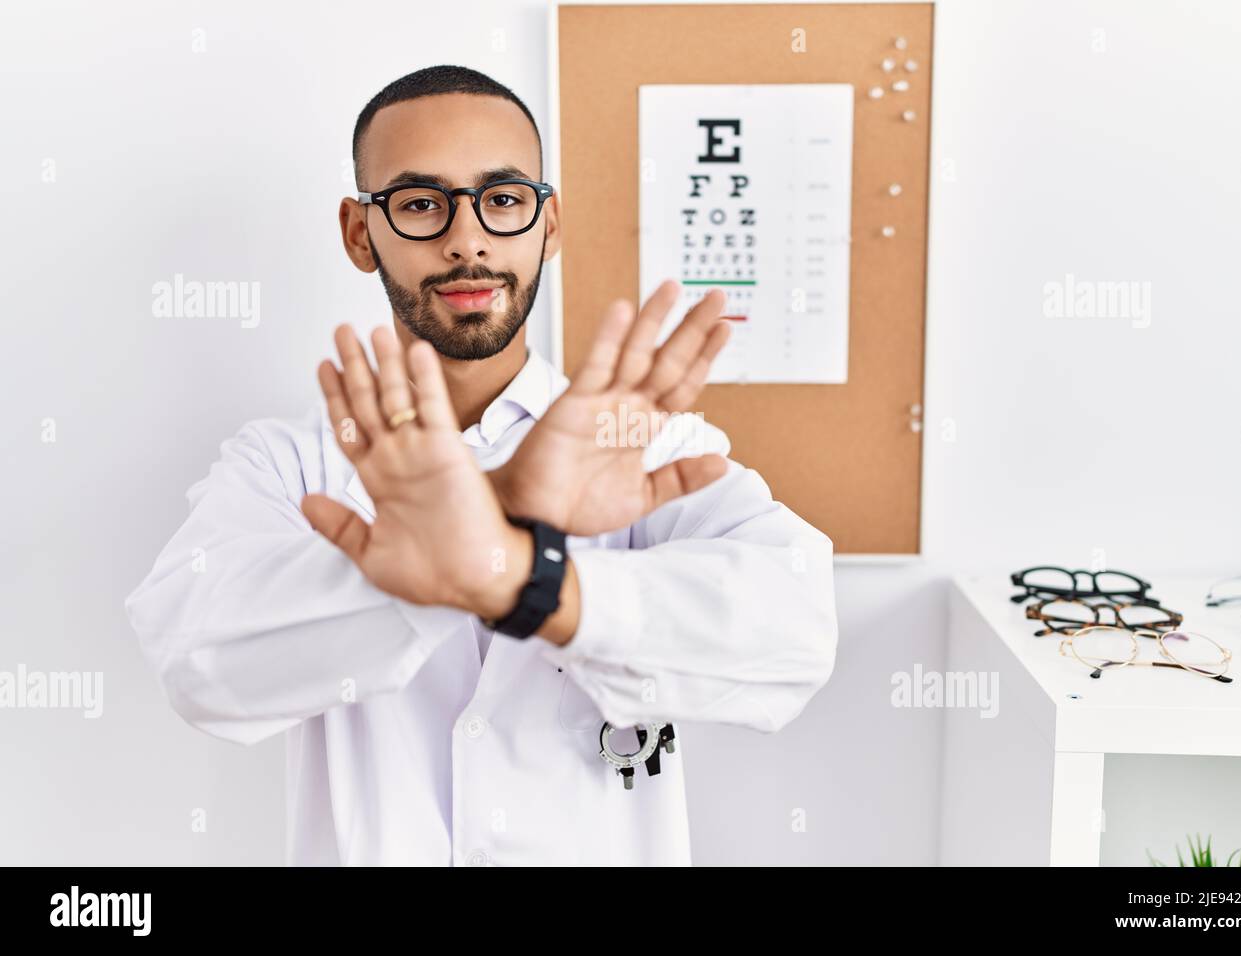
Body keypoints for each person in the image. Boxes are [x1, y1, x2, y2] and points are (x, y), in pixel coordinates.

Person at [124, 65, 838, 866]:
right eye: (421, 203)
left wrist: (532, 582)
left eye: (502, 200)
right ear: (361, 233)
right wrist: (498, 506)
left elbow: (796, 630)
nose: (468, 239)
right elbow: (201, 667)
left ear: (549, 223)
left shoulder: (653, 446)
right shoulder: (284, 465)